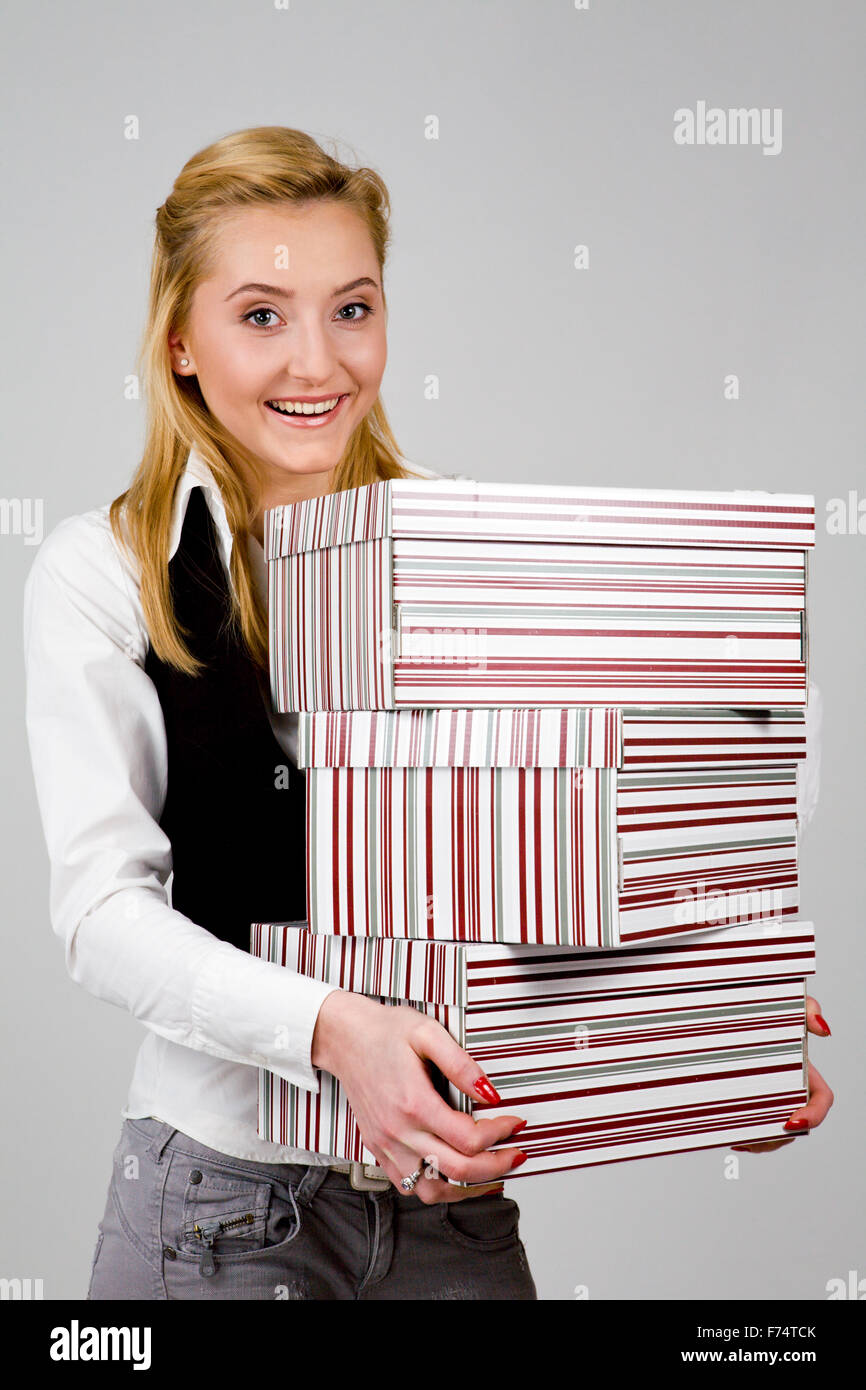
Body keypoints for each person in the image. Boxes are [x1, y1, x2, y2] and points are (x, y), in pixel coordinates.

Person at [22, 126, 832, 1303]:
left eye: (350, 308)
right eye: (261, 315)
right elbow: (103, 913)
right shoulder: (105, 572)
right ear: (181, 341)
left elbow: (563, 844)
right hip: (221, 1213)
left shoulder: (467, 541)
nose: (317, 361)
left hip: (449, 1207)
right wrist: (337, 1030)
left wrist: (707, 1036)